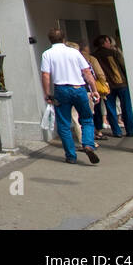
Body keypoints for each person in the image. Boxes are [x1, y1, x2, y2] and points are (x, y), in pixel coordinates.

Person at [40, 28, 100, 164]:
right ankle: (88, 144)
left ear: (50, 40)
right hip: (79, 88)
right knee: (86, 119)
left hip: (61, 89)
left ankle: (71, 155)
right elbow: (86, 72)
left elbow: (45, 75)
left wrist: (47, 93)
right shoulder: (74, 52)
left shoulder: (47, 54)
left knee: (64, 123)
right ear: (64, 39)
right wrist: (94, 89)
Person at [90, 35, 133, 139]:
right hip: (121, 83)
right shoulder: (114, 53)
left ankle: (116, 131)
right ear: (105, 42)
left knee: (110, 108)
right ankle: (130, 130)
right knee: (126, 107)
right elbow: (123, 65)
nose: (110, 43)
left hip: (106, 86)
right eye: (108, 41)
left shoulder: (94, 56)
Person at [81, 43, 110, 141]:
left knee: (84, 114)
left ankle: (88, 136)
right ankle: (97, 132)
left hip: (80, 90)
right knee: (95, 111)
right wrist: (102, 84)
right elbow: (97, 73)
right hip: (90, 89)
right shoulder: (90, 59)